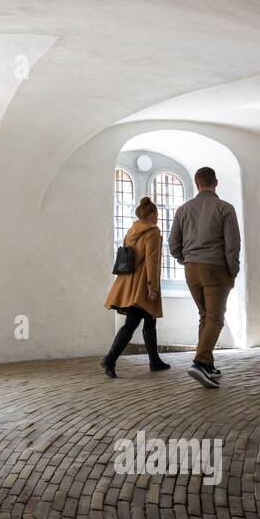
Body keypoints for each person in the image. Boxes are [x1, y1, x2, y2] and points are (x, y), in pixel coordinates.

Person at [168, 166, 241, 389]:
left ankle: (207, 363)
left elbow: (173, 244)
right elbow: (232, 245)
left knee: (205, 316)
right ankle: (199, 362)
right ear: (215, 183)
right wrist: (233, 270)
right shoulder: (224, 208)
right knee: (216, 319)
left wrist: (185, 259)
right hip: (215, 268)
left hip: (191, 269)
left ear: (197, 183)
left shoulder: (183, 209)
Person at [101, 197, 171, 378]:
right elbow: (151, 261)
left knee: (150, 320)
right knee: (131, 324)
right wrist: (152, 287)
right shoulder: (153, 232)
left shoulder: (132, 231)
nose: (158, 218)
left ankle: (154, 360)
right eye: (157, 214)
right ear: (152, 215)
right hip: (142, 284)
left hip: (128, 283)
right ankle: (110, 358)